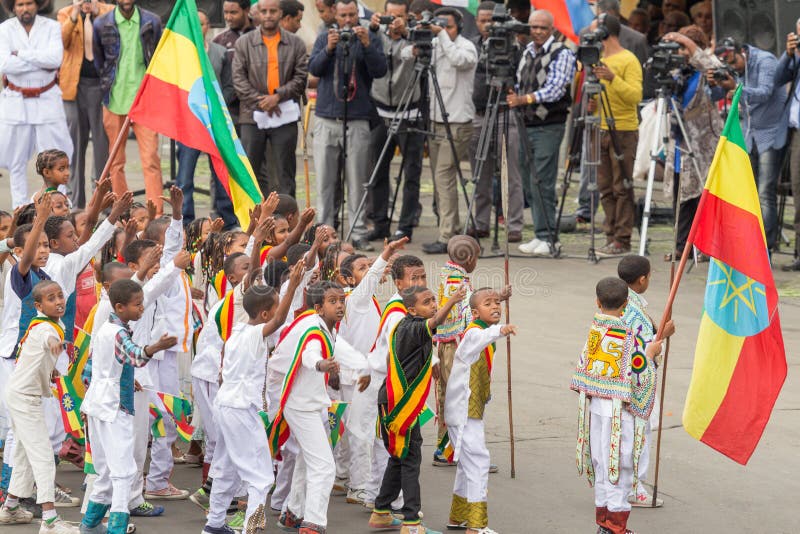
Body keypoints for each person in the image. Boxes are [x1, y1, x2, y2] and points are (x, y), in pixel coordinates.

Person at [203, 273, 302, 534]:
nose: (280, 310)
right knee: (260, 477)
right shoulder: (254, 334)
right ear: (266, 315)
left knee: (225, 469)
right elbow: (280, 319)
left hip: (226, 405)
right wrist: (292, 286)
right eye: (276, 305)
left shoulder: (238, 330)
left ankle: (214, 525)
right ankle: (252, 528)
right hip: (241, 408)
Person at [79, 280, 177, 534]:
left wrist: (124, 378)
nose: (142, 308)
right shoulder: (119, 332)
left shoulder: (105, 330)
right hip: (114, 407)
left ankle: (89, 527)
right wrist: (156, 346)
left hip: (97, 404)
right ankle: (116, 528)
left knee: (104, 473)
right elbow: (135, 355)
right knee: (123, 472)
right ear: (120, 307)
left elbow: (92, 370)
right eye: (137, 305)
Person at [368, 284, 466, 534]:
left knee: (400, 456)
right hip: (399, 404)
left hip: (397, 402)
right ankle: (411, 522)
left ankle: (381, 511)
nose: (433, 304)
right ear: (411, 309)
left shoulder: (408, 326)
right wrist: (452, 300)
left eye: (434, 299)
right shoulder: (411, 326)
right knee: (410, 459)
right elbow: (434, 322)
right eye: (427, 301)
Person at [571, 277, 661, 534]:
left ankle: (603, 523)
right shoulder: (628, 336)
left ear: (598, 302)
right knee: (619, 467)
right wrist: (651, 355)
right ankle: (615, 527)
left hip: (597, 409)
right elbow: (640, 376)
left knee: (602, 465)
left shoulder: (595, 330)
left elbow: (583, 366)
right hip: (618, 413)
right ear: (625, 306)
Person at [0, 280, 79, 534]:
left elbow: (39, 357)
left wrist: (54, 368)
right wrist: (55, 345)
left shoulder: (52, 324)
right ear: (38, 305)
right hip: (25, 398)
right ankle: (50, 520)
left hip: (23, 395)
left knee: (23, 453)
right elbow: (47, 340)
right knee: (43, 456)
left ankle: (10, 507)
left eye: (60, 296)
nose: (58, 302)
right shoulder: (46, 328)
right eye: (51, 298)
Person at [308, 0, 387, 251]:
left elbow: (379, 71)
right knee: (325, 182)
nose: (348, 20)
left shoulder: (369, 38)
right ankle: (324, 234)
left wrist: (366, 44)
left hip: (358, 119)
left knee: (357, 181)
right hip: (326, 118)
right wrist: (329, 49)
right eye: (343, 15)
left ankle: (358, 232)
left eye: (352, 15)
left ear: (357, 14)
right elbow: (315, 70)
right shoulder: (324, 37)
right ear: (335, 15)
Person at [267, 281, 342, 534]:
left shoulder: (320, 323)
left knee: (306, 460)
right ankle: (313, 524)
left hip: (306, 401)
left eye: (342, 300)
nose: (340, 305)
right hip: (300, 405)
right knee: (324, 466)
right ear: (319, 307)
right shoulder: (314, 330)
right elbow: (310, 354)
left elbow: (341, 351)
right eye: (333, 301)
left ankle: (293, 513)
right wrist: (320, 365)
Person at [444, 288, 516, 533]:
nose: (496, 306)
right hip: (464, 411)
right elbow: (479, 339)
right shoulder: (473, 333)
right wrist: (500, 329)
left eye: (498, 303)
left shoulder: (481, 328)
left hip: (467, 410)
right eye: (489, 303)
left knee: (468, 463)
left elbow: (486, 328)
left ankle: (458, 516)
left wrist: (499, 301)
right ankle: (476, 525)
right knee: (478, 462)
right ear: (475, 312)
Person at [709, 37, 788, 251]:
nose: (732, 67)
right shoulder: (730, 66)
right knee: (747, 190)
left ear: (742, 51)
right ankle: (748, 242)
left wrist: (736, 87)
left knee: (764, 191)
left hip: (769, 133)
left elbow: (765, 93)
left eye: (734, 62)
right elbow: (718, 95)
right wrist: (713, 84)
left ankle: (766, 246)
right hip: (748, 132)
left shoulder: (766, 61)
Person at [508, 9, 576, 256]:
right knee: (528, 180)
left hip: (549, 125)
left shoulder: (562, 53)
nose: (536, 31)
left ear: (552, 29)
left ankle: (549, 237)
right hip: (526, 124)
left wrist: (524, 99)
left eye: (542, 28)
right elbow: (518, 81)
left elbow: (556, 89)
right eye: (533, 27)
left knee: (542, 181)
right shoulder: (526, 52)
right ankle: (539, 233)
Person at [360, 254, 424, 511]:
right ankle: (396, 505)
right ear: (398, 283)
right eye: (413, 278)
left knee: (384, 442)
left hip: (392, 382)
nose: (419, 282)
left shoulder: (410, 305)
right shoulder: (400, 312)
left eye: (422, 277)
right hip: (391, 384)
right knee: (393, 445)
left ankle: (376, 497)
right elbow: (399, 353)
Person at [0, 0, 74, 209]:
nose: (25, 8)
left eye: (29, 3)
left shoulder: (51, 27)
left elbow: (54, 59)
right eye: (20, 4)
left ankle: (59, 207)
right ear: (13, 7)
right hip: (16, 100)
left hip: (47, 98)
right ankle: (21, 210)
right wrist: (38, 61)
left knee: (57, 157)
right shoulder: (4, 30)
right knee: (16, 161)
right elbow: (4, 64)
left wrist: (20, 54)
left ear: (38, 4)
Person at [93, 0, 164, 210]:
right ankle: (123, 213)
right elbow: (99, 61)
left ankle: (155, 213)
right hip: (114, 99)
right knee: (116, 162)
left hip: (145, 101)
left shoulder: (152, 21)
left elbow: (158, 56)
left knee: (151, 159)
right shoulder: (101, 24)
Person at [233, 0, 309, 198]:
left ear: (281, 13)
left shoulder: (296, 43)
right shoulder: (244, 42)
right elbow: (238, 79)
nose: (268, 15)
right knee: (251, 171)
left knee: (285, 173)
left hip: (284, 114)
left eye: (272, 11)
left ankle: (286, 222)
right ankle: (253, 222)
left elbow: (301, 77)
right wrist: (261, 101)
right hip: (252, 115)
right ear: (257, 13)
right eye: (264, 11)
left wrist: (278, 96)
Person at [661, 27, 724, 260]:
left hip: (702, 142)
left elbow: (713, 68)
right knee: (682, 195)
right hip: (679, 140)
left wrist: (687, 42)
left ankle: (704, 247)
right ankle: (681, 246)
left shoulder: (707, 67)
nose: (680, 52)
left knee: (702, 196)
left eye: (684, 47)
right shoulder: (679, 71)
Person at [366, 0, 425, 243]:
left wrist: (408, 33)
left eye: (400, 17)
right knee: (377, 170)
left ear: (408, 17)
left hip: (410, 111)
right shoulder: (375, 34)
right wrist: (372, 29)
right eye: (391, 16)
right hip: (380, 110)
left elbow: (425, 47)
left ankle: (406, 226)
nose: (395, 21)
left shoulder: (415, 35)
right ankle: (380, 223)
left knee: (411, 172)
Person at [420, 7, 477, 255]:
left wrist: (441, 34)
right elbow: (405, 55)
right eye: (440, 25)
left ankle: (447, 236)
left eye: (449, 26)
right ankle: (450, 227)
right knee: (440, 178)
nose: (443, 30)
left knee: (444, 176)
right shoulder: (433, 44)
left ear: (459, 28)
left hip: (457, 122)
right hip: (435, 120)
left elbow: (458, 60)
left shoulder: (467, 47)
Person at [175, 8, 238, 230]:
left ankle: (228, 220)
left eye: (202, 23)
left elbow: (229, 87)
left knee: (222, 175)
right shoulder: (180, 54)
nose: (198, 27)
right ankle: (186, 222)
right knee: (184, 177)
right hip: (190, 125)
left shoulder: (220, 52)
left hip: (215, 124)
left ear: (208, 26)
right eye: (194, 23)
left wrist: (215, 107)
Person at [468, 1, 524, 244]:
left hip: (505, 112)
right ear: (477, 22)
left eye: (492, 20)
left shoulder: (515, 47)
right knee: (480, 173)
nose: (487, 26)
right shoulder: (472, 46)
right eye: (482, 21)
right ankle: (480, 223)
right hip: (480, 113)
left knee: (511, 173)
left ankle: (513, 225)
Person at [590, 14, 642, 256]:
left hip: (623, 130)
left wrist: (613, 78)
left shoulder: (628, 60)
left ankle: (623, 237)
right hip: (599, 128)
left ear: (605, 33)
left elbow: (635, 96)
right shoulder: (597, 59)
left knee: (622, 186)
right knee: (605, 186)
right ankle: (610, 234)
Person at [57, 0, 114, 209]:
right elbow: (62, 41)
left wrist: (97, 12)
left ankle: (103, 200)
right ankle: (76, 201)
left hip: (102, 86)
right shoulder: (65, 14)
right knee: (75, 145)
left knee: (102, 145)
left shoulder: (109, 12)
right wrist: (75, 14)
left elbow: (113, 37)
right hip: (75, 87)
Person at [432, 235, 478, 464]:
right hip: (452, 345)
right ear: (468, 258)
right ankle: (447, 449)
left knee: (447, 394)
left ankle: (448, 446)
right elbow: (468, 312)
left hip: (445, 343)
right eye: (476, 257)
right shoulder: (458, 281)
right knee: (454, 396)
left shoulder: (447, 273)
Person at [777, 22, 800, 271]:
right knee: (798, 191)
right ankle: (799, 253)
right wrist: (789, 53)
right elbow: (778, 78)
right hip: (796, 133)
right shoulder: (797, 59)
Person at [213, 0, 253, 134]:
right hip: (229, 112)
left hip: (257, 110)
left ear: (247, 10)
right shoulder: (219, 41)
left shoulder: (261, 36)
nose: (228, 17)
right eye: (225, 12)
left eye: (233, 12)